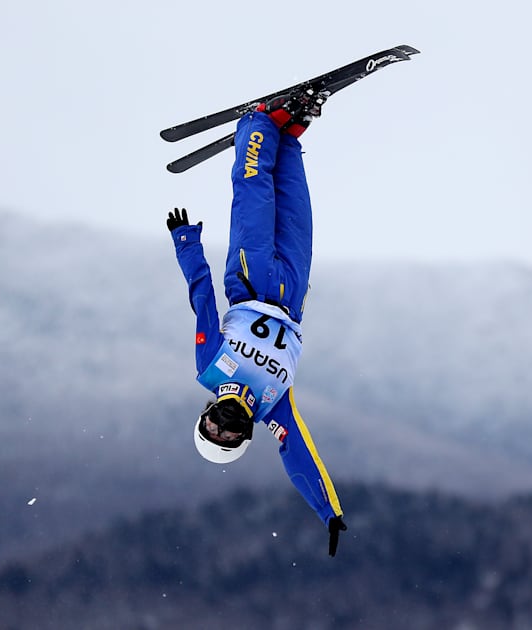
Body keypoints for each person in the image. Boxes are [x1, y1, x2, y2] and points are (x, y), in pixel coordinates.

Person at [166, 88, 347, 557]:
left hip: (250, 278)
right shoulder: (274, 408)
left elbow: (201, 299)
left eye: (212, 430)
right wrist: (328, 510)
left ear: (204, 416)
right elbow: (300, 459)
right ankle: (290, 134)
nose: (223, 428)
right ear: (244, 440)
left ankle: (257, 126)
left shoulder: (211, 366)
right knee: (294, 206)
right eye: (227, 439)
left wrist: (186, 244)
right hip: (292, 292)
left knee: (253, 196)